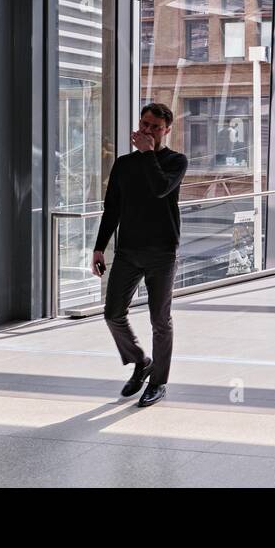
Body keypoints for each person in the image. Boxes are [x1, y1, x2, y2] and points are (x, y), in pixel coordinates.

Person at [91, 102, 188, 409]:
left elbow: (160, 188)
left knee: (160, 319)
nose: (147, 131)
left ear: (167, 130)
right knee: (112, 313)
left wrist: (148, 153)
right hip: (128, 250)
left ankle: (158, 381)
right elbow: (112, 209)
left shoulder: (176, 161)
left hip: (162, 251)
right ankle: (141, 361)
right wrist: (98, 246)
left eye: (154, 127)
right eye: (144, 125)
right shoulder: (123, 164)